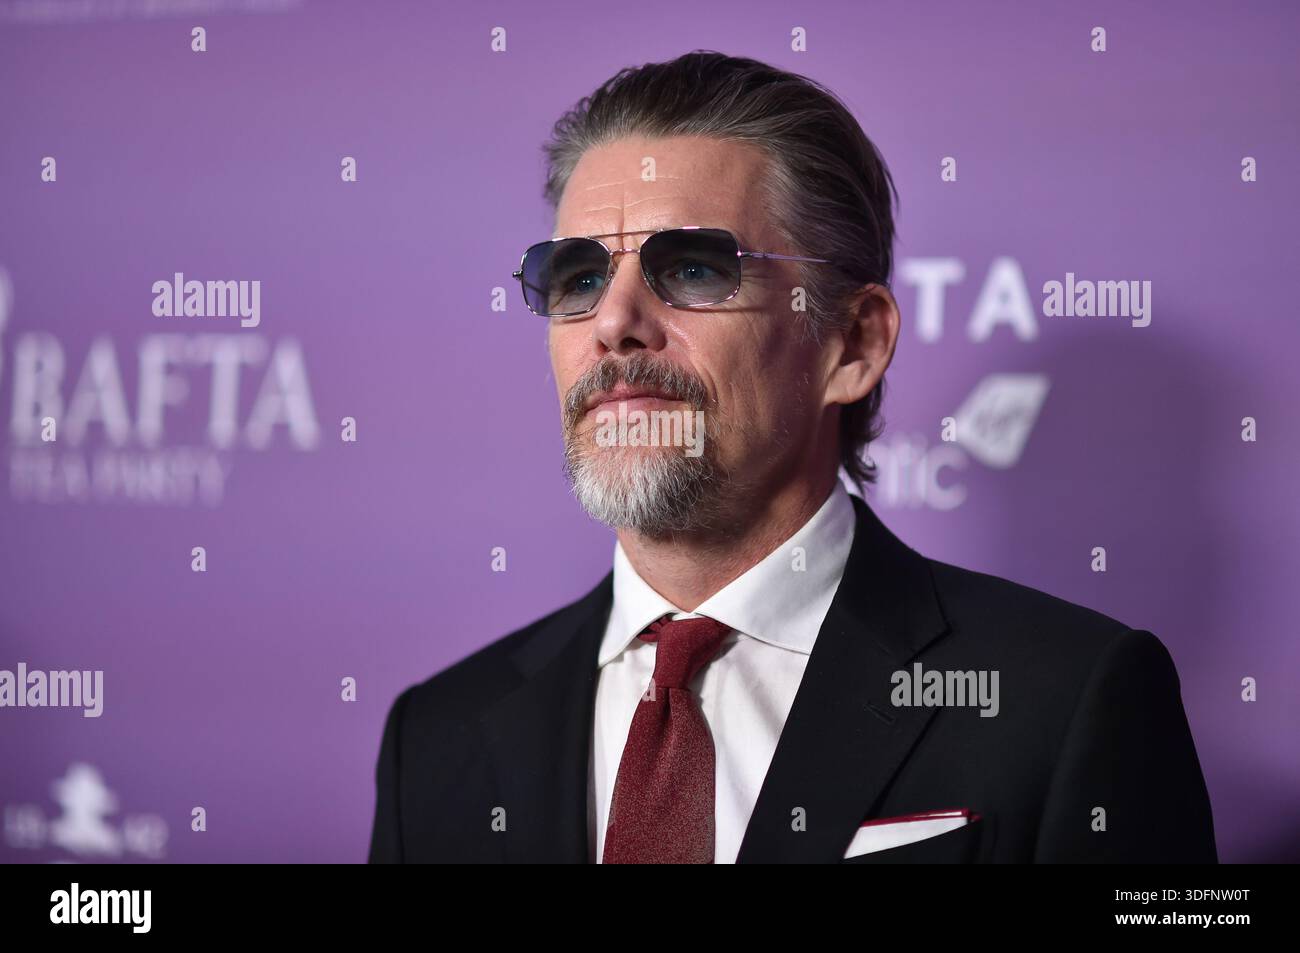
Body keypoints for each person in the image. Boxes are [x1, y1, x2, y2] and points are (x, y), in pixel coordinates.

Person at [368, 51, 1216, 863]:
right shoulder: (438, 737)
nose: (613, 320)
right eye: (578, 277)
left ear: (852, 342)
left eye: (693, 267)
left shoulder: (1067, 700)